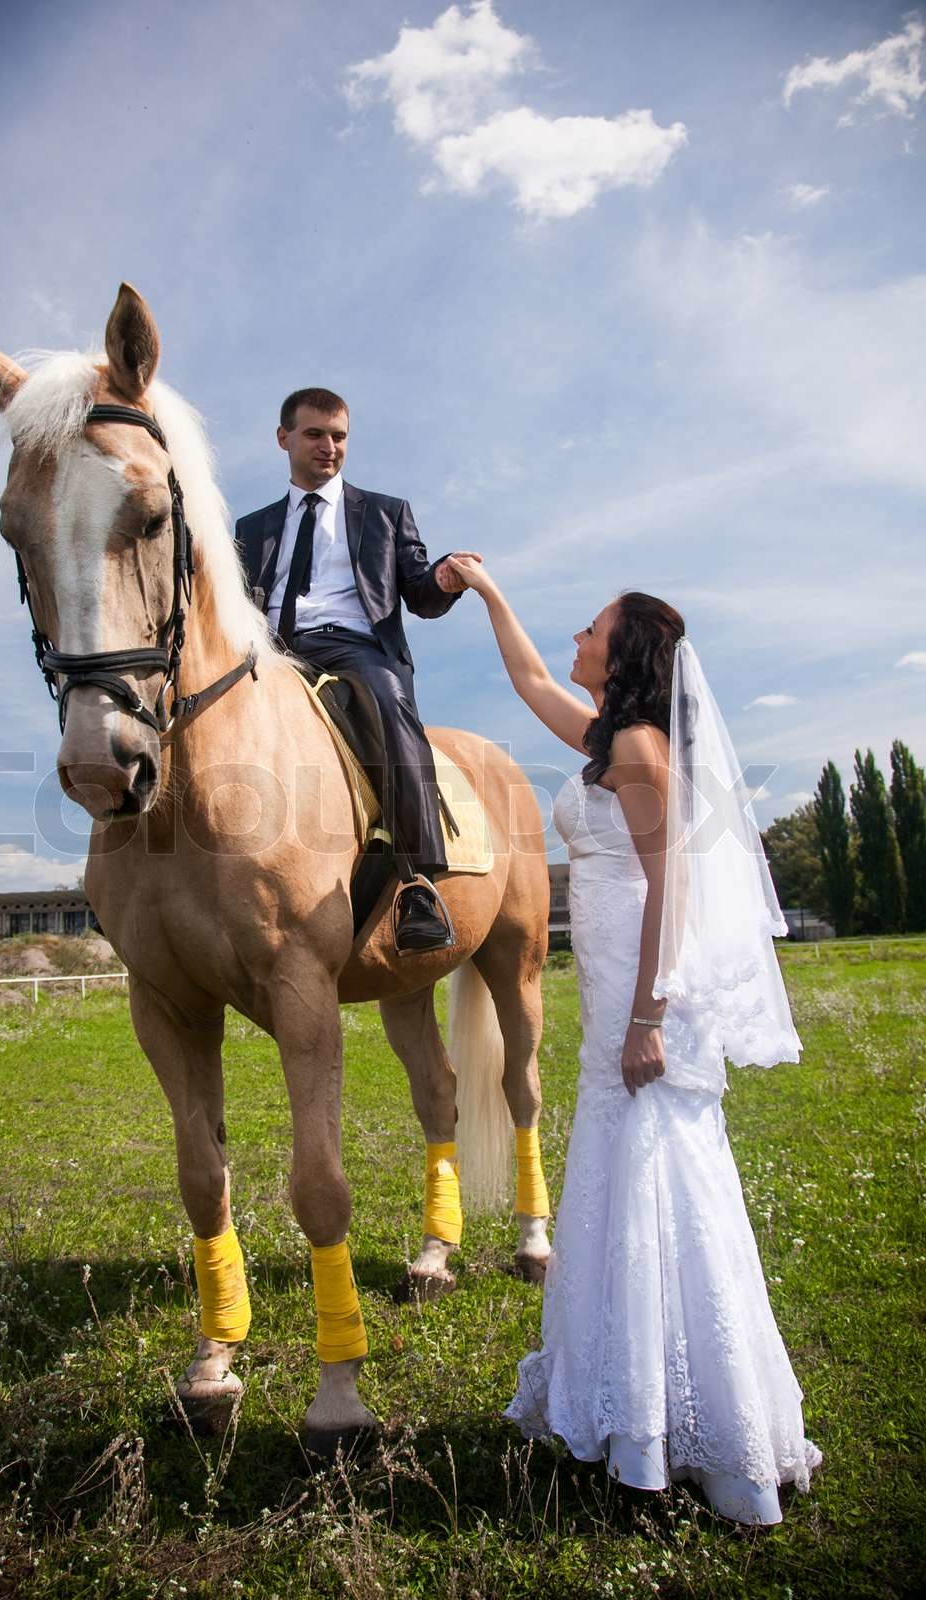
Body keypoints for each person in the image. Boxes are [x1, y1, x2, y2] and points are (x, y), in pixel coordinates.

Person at [446, 557, 822, 1525]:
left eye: (589, 628)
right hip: (615, 998)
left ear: (623, 655)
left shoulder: (642, 750)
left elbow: (674, 887)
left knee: (660, 1182)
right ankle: (625, 1409)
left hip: (642, 1005)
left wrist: (649, 1015)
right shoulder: (607, 738)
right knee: (616, 1184)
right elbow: (531, 680)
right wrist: (488, 594)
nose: (574, 641)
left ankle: (674, 1435)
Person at [236, 388, 478, 953]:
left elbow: (418, 590)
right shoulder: (251, 528)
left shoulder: (387, 513)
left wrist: (443, 579)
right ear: (284, 438)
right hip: (269, 648)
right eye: (315, 434)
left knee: (389, 703)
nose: (329, 446)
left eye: (339, 436)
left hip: (355, 644)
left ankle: (418, 883)